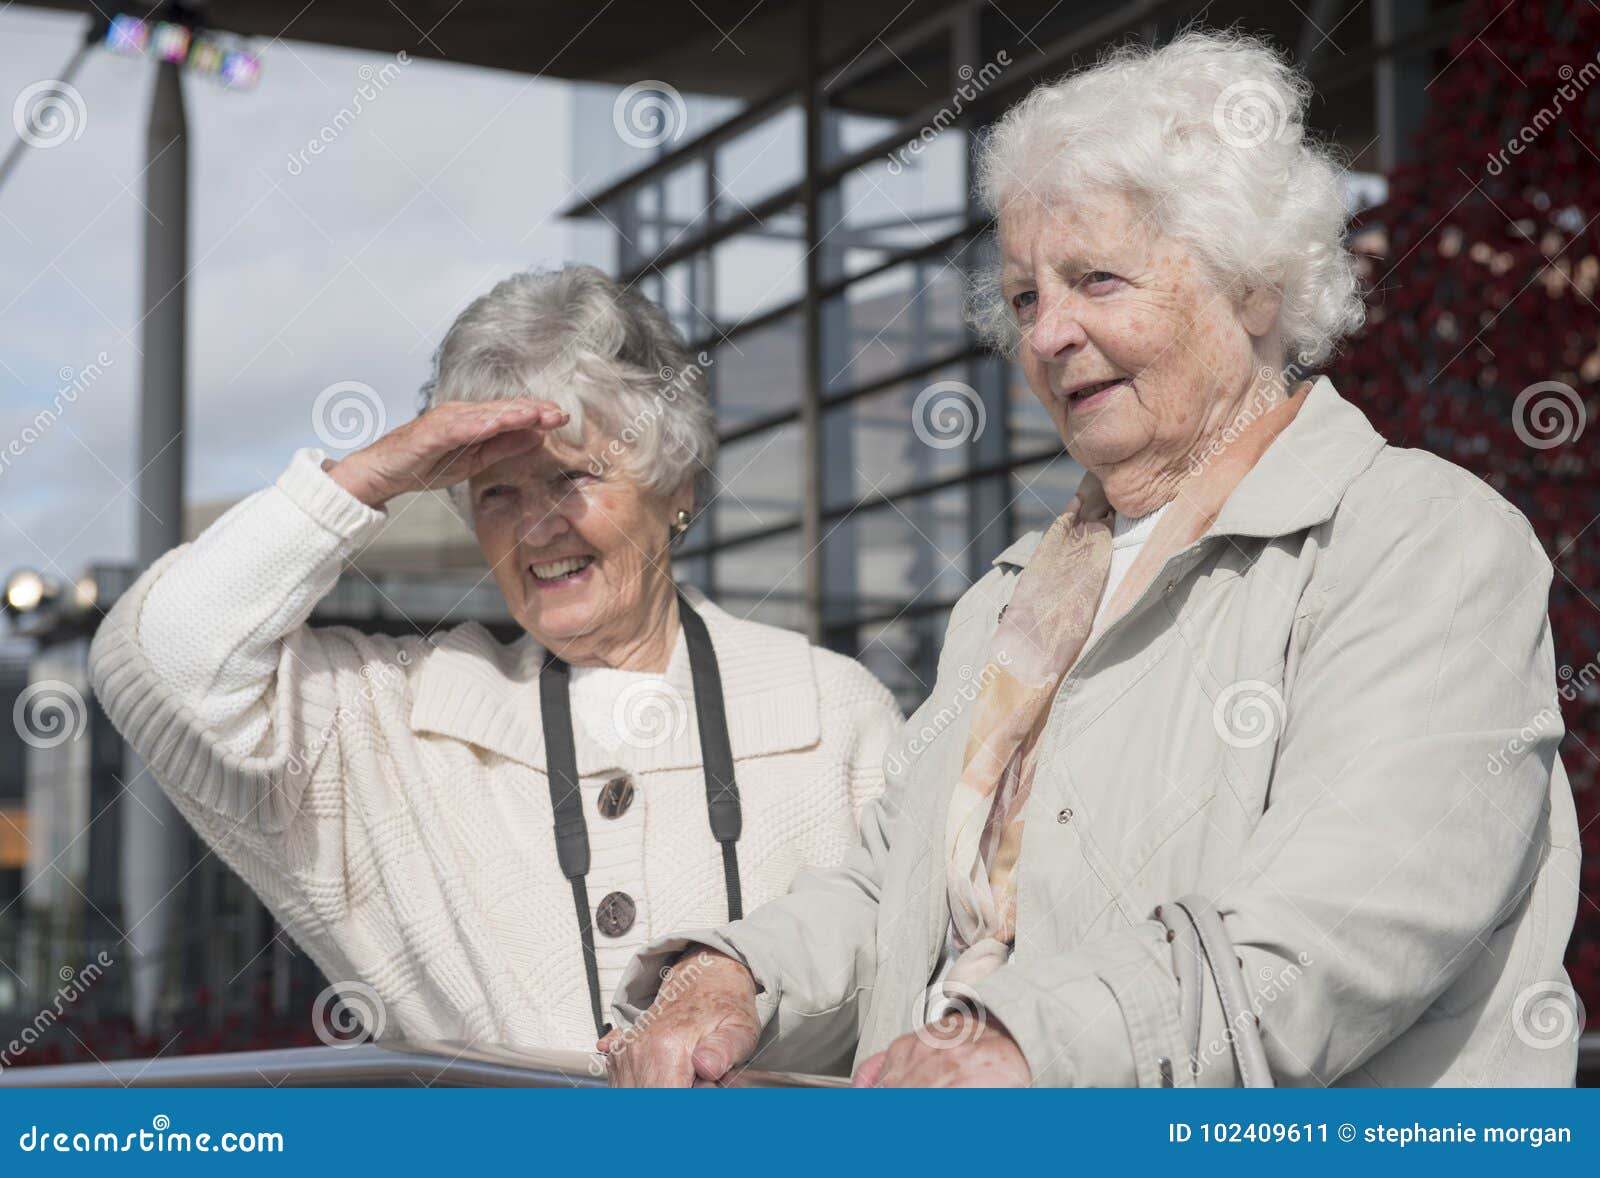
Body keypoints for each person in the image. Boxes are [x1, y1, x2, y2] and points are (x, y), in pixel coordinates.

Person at [604, 31, 1580, 1087]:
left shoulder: (1419, 537)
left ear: (1252, 286)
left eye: (1096, 279)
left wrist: (1029, 1043)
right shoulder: (1014, 592)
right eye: (1025, 296)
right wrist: (733, 978)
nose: (1049, 333)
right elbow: (897, 890)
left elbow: (1344, 923)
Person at [89, 264, 902, 1058]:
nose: (537, 528)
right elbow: (162, 659)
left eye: (573, 476)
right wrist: (365, 479)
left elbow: (920, 979)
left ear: (675, 480)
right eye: (496, 494)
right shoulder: (403, 721)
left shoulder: (831, 714)